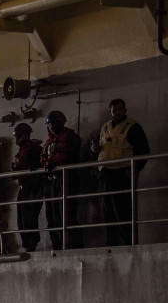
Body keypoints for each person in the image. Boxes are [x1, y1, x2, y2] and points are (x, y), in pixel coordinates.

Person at [90, 98, 149, 246]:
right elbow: (98, 148)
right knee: (107, 212)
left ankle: (126, 244)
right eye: (115, 110)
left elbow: (143, 152)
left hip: (121, 174)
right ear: (110, 111)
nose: (118, 112)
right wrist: (94, 150)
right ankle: (111, 245)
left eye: (120, 109)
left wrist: (132, 170)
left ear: (125, 110)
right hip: (105, 175)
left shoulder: (133, 127)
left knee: (122, 212)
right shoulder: (105, 127)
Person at [40, 110, 81, 249]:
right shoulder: (49, 142)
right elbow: (44, 158)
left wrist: (58, 165)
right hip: (52, 182)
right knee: (52, 216)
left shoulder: (71, 137)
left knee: (66, 214)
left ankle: (73, 245)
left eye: (55, 123)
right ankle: (57, 244)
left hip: (66, 180)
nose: (53, 126)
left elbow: (74, 156)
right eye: (51, 123)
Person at [11, 123, 44, 252]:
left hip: (32, 187)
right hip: (24, 187)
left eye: (18, 136)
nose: (16, 139)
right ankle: (27, 244)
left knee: (29, 218)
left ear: (25, 135)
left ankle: (31, 245)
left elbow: (37, 167)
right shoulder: (23, 150)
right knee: (22, 219)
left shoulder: (34, 149)